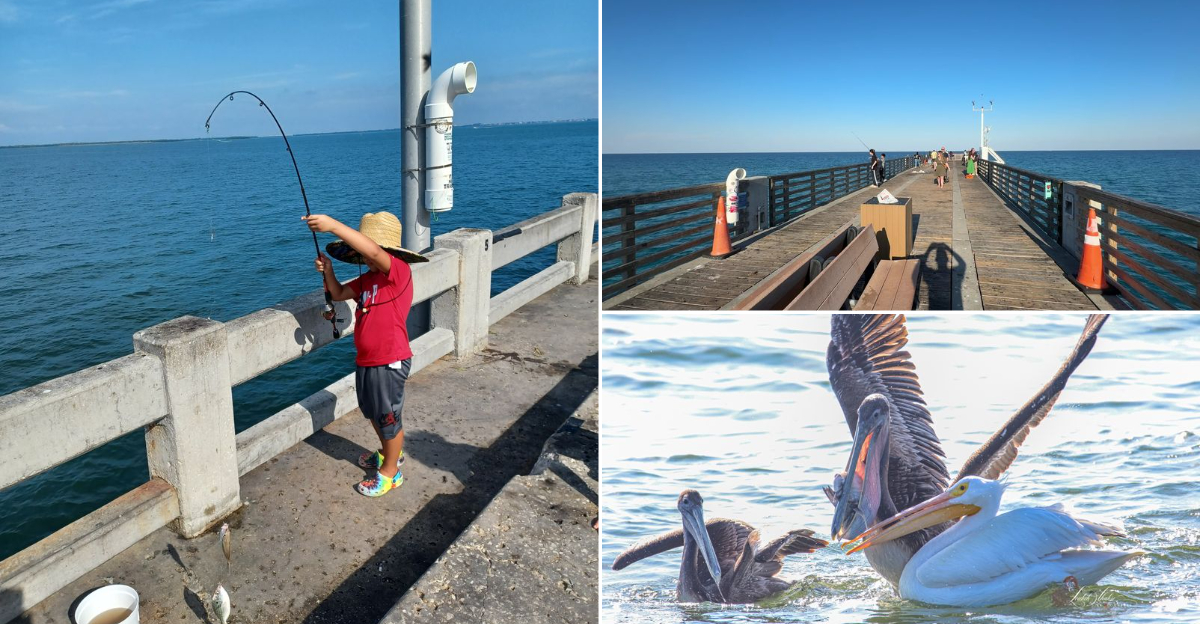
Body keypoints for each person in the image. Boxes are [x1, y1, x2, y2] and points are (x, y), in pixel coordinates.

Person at [305, 211, 429, 497]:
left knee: (388, 417)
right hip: (367, 360)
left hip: (390, 360)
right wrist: (329, 271)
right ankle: (389, 453)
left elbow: (371, 249)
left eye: (373, 252)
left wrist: (333, 225)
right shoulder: (367, 281)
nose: (369, 257)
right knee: (373, 412)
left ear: (388, 251)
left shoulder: (399, 272)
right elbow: (336, 294)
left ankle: (390, 472)